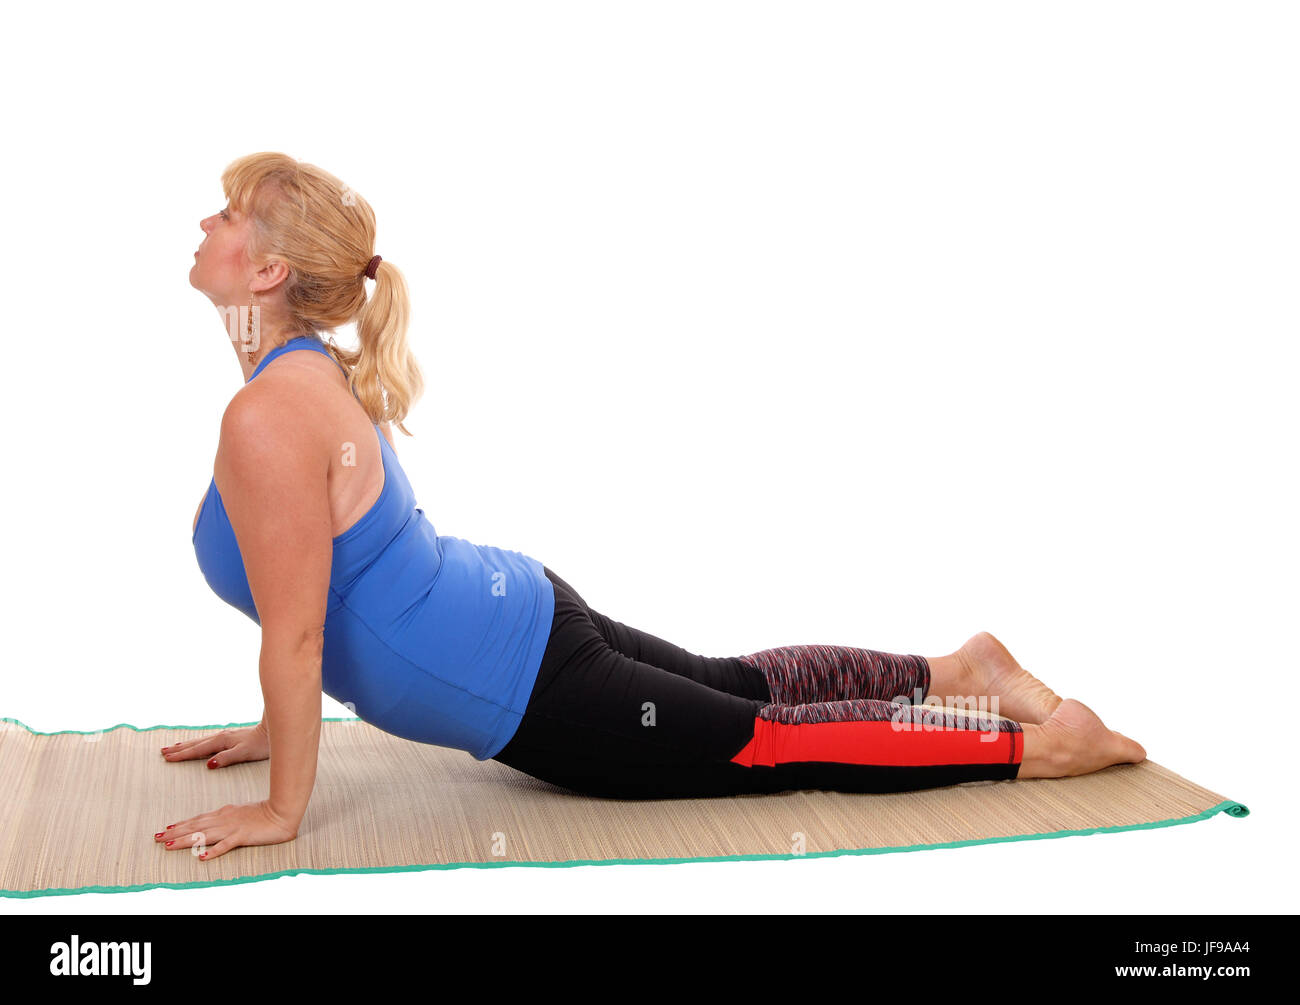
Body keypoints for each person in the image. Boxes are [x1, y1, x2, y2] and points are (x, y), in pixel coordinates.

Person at [158, 152, 1146, 862]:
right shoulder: (292, 382)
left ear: (270, 272)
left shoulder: (268, 413)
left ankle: (1036, 744)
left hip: (527, 683)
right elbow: (319, 595)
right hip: (524, 614)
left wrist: (285, 807)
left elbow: (298, 635)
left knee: (764, 744)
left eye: (227, 213)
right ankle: (962, 674)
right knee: (740, 691)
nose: (207, 223)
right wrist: (270, 728)